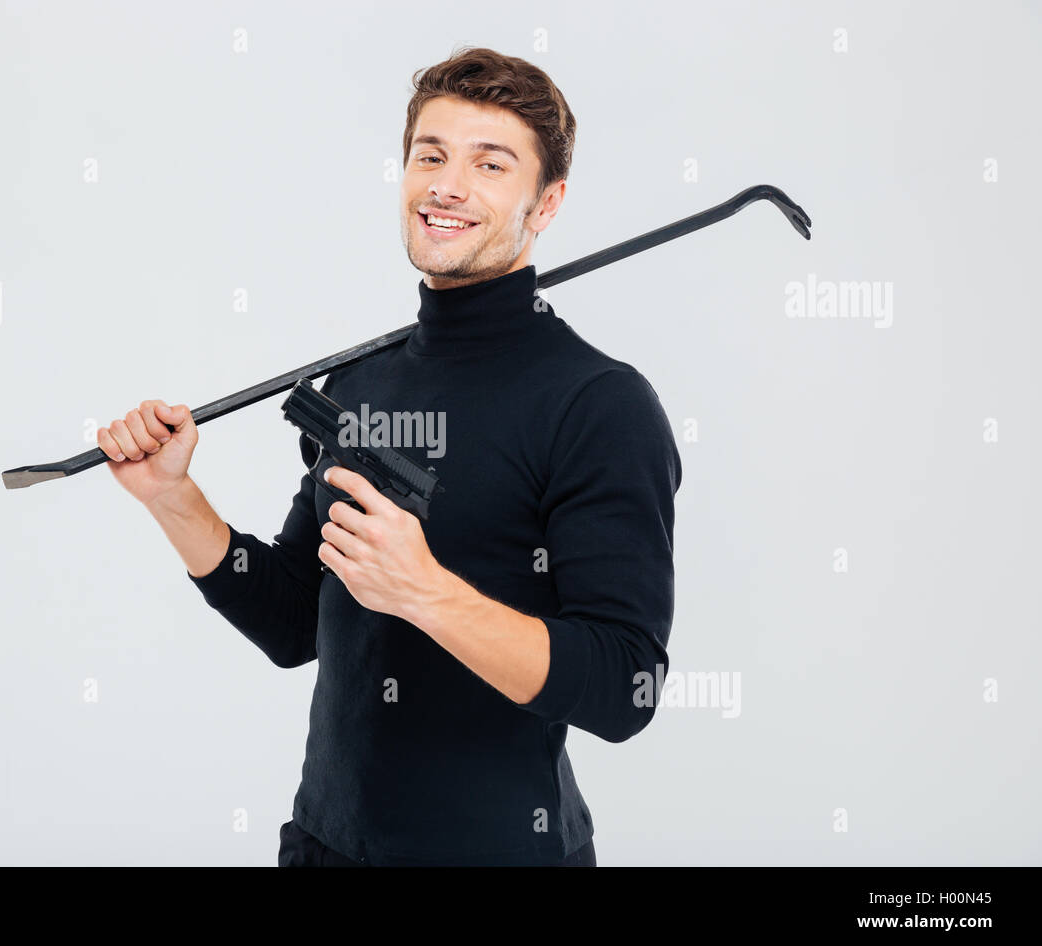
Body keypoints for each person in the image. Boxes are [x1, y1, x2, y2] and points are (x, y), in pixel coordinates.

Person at [98, 47, 681, 866]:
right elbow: (298, 623)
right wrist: (173, 499)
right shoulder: (360, 383)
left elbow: (627, 689)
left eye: (490, 164)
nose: (447, 184)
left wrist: (428, 594)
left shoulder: (598, 405)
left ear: (546, 204)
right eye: (431, 155)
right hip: (324, 846)